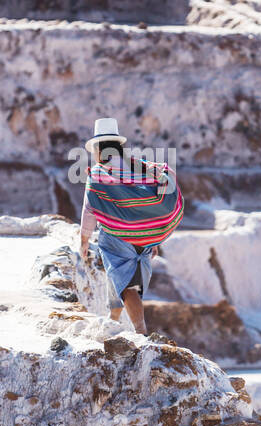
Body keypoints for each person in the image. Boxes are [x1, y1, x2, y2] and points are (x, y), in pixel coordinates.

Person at [78, 118, 183, 335]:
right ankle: (114, 317)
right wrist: (153, 239)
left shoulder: (99, 173)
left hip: (117, 237)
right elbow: (148, 203)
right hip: (143, 237)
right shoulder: (138, 167)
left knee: (127, 285)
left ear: (98, 149)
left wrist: (84, 240)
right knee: (117, 275)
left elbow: (90, 210)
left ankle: (140, 331)